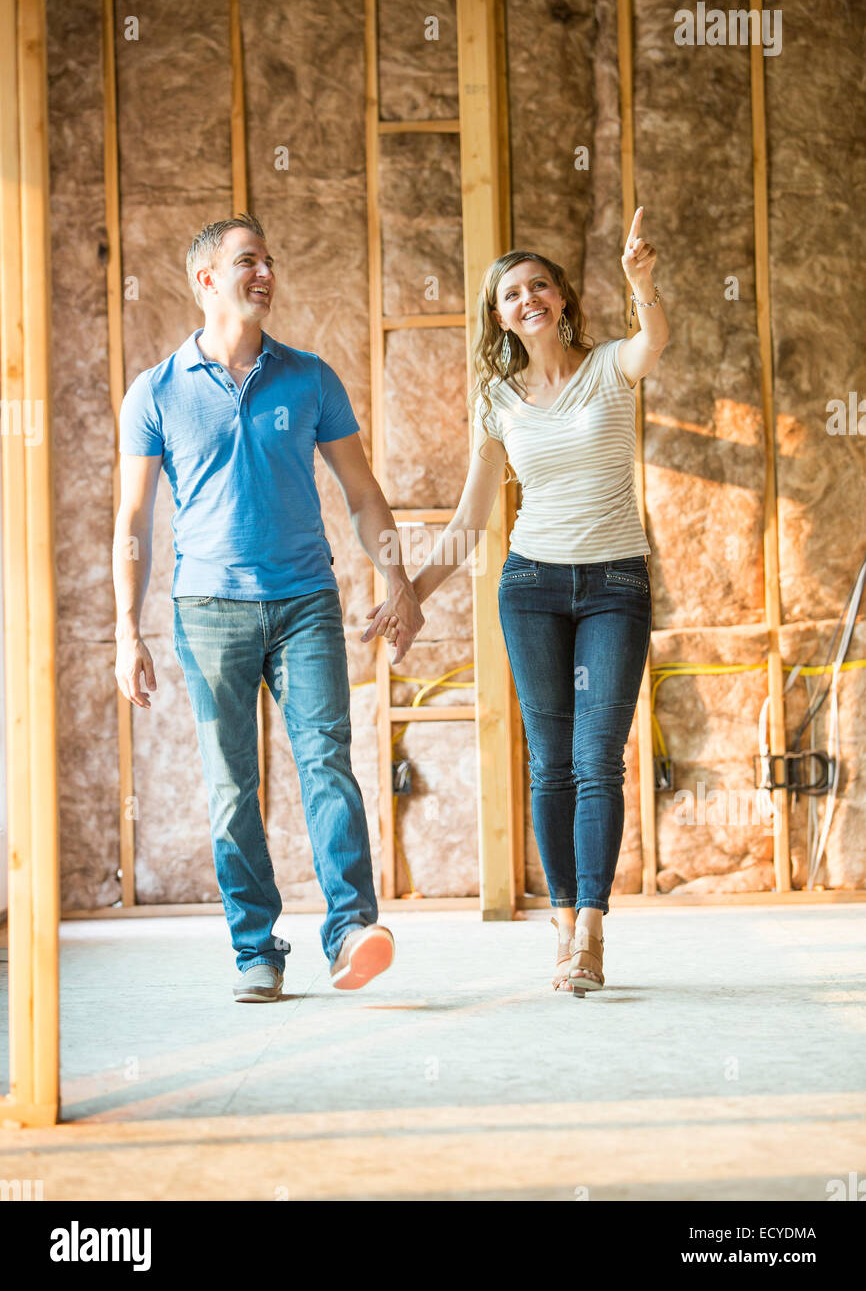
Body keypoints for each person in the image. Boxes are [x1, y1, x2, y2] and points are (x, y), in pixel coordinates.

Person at [113, 212, 424, 1002]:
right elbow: (133, 524)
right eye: (247, 261)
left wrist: (398, 581)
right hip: (208, 610)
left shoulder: (309, 376)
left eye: (270, 262)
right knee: (231, 787)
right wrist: (126, 630)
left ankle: (351, 928)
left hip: (305, 602)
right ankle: (256, 947)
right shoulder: (155, 392)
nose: (265, 274)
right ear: (205, 279)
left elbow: (361, 494)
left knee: (327, 762)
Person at [372, 207, 669, 994]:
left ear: (564, 298)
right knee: (550, 764)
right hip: (532, 586)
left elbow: (654, 343)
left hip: (615, 585)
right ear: (498, 316)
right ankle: (564, 924)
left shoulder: (610, 366)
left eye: (540, 285)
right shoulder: (497, 400)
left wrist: (643, 285)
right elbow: (473, 519)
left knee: (597, 757)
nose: (528, 299)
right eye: (511, 294)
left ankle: (594, 935)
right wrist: (414, 593)